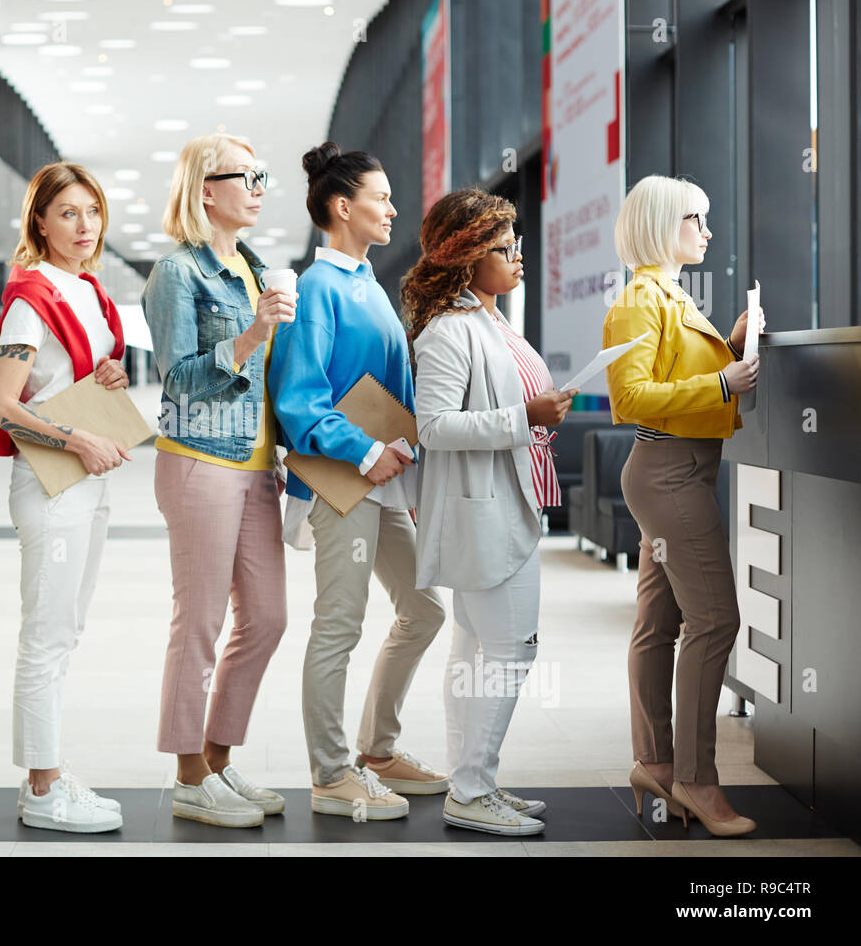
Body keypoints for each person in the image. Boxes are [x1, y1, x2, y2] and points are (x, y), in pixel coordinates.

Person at [269, 142, 449, 821]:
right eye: (381, 196)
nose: (393, 207)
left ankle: (378, 749)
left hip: (381, 480)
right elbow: (299, 400)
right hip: (343, 482)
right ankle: (330, 773)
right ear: (343, 207)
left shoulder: (366, 282)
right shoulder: (317, 289)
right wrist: (367, 449)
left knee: (424, 607)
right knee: (338, 626)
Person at [406, 188, 572, 836]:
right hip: (490, 512)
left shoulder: (493, 321)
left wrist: (538, 414)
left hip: (513, 501)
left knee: (477, 649)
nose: (517, 256)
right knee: (510, 649)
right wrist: (523, 418)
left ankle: (472, 782)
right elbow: (434, 426)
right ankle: (472, 790)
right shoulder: (451, 330)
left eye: (517, 244)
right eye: (502, 248)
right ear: (467, 257)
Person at [142, 134, 295, 828]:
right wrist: (248, 338)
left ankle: (219, 760)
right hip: (200, 458)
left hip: (259, 466)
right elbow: (175, 385)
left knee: (267, 616)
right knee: (199, 621)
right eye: (248, 176)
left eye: (264, 176)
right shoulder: (179, 273)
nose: (260, 186)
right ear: (207, 189)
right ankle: (187, 774)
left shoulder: (259, 267)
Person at [605, 174, 763, 837]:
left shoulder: (668, 296)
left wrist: (728, 347)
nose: (706, 231)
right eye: (694, 219)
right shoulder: (641, 301)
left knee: (659, 620)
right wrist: (724, 376)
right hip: (669, 471)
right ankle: (696, 780)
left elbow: (676, 378)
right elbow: (630, 398)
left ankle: (656, 763)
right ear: (660, 225)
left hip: (678, 469)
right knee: (716, 620)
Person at [0, 162, 129, 833]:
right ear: (39, 220)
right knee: (45, 636)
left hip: (85, 482)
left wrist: (107, 372)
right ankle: (41, 789)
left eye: (92, 212)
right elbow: (2, 405)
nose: (84, 226)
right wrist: (75, 439)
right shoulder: (28, 297)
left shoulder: (88, 289)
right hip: (51, 483)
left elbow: (64, 375)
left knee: (65, 631)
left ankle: (50, 768)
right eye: (68, 212)